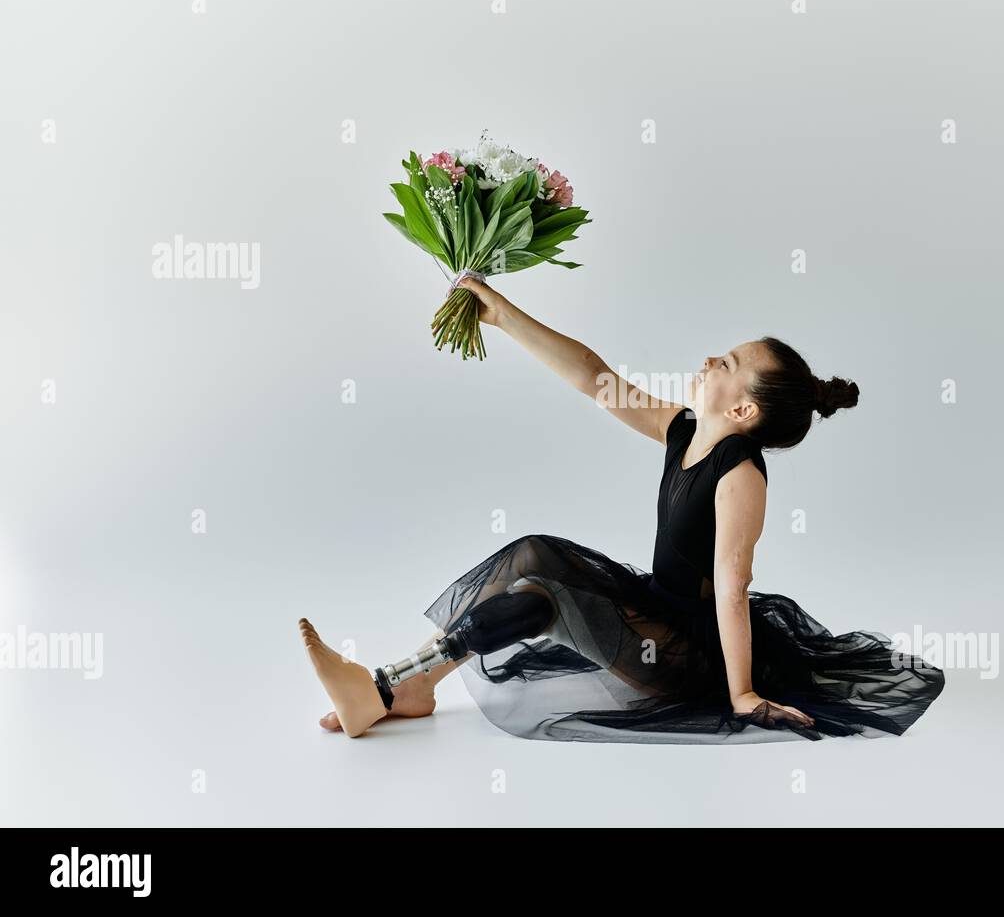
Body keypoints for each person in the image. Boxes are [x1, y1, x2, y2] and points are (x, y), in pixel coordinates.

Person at [300, 273, 945, 743]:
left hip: (687, 655)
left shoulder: (741, 475)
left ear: (745, 411)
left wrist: (743, 693)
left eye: (728, 363)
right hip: (653, 615)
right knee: (535, 574)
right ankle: (406, 686)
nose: (709, 359)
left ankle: (390, 683)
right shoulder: (686, 429)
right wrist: (502, 314)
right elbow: (594, 377)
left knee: (542, 576)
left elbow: (732, 591)